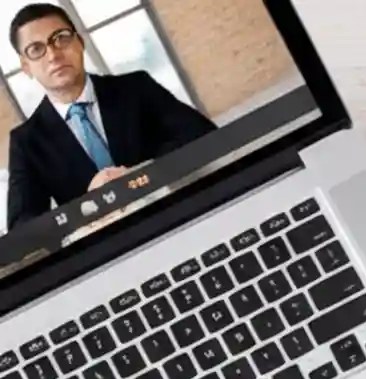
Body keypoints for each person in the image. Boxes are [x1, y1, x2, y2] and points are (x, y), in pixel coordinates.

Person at [5, 3, 215, 229]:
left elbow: (205, 135)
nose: (53, 55)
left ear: (80, 42)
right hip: (105, 248)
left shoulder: (136, 87)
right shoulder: (26, 141)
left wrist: (139, 175)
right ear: (26, 67)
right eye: (36, 50)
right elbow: (22, 227)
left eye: (61, 38)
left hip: (178, 214)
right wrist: (86, 207)